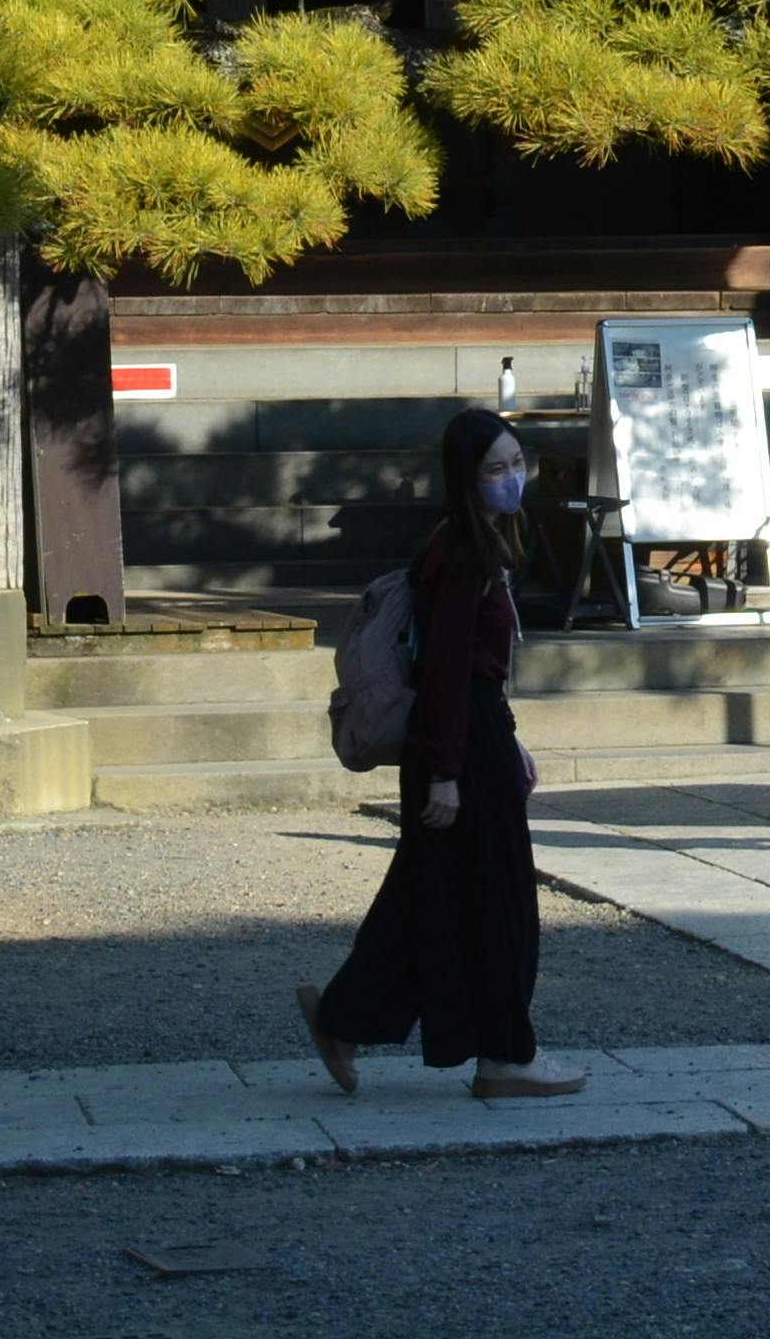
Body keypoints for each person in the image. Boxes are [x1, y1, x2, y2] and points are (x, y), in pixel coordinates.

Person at [303, 408, 587, 1101]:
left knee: (431, 896)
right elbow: (449, 671)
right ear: (466, 477)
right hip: (459, 744)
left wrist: (508, 739)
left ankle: (344, 1017)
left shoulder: (469, 545)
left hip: (470, 736)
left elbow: (474, 669)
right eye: (495, 469)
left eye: (518, 465)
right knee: (499, 903)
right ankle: (506, 1056)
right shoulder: (464, 554)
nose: (512, 480)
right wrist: (449, 770)